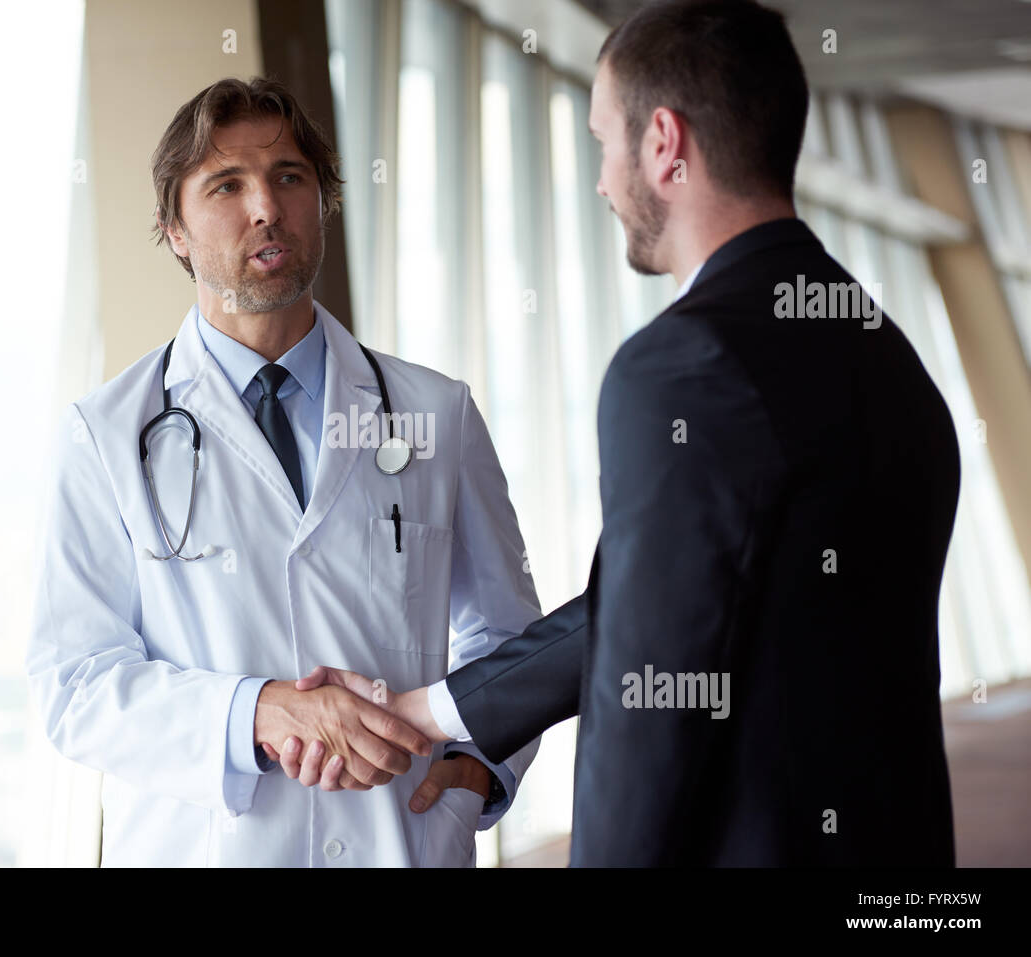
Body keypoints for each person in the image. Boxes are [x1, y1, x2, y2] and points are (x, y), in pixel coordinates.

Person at [289, 0, 961, 866]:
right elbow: (657, 608)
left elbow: (650, 707)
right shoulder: (884, 352)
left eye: (606, 140)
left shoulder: (683, 365)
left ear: (664, 143)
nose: (602, 181)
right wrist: (427, 711)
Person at [24, 76, 542, 866]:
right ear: (174, 229)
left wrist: (482, 768)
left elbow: (506, 635)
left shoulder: (436, 413)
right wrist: (257, 714)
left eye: (289, 178)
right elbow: (76, 682)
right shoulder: (105, 435)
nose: (266, 207)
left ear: (323, 200)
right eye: (226, 185)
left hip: (399, 838)